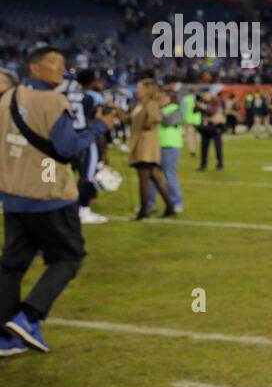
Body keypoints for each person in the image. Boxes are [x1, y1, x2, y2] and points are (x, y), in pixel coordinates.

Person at [0, 46, 114, 354]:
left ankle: (5, 336)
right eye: (53, 63)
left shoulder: (8, 98)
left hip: (12, 196)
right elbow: (67, 148)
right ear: (33, 67)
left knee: (12, 265)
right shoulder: (53, 100)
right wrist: (101, 127)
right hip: (48, 196)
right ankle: (29, 317)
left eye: (63, 65)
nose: (59, 70)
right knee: (69, 257)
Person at [64, 69, 109, 224]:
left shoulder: (62, 94)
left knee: (54, 173)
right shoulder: (89, 97)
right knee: (87, 175)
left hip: (65, 136)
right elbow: (95, 118)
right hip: (84, 137)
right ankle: (83, 210)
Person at [127, 79, 177, 220]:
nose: (138, 90)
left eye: (140, 88)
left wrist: (146, 125)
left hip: (146, 146)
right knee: (155, 178)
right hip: (142, 144)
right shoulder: (141, 104)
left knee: (143, 178)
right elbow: (130, 120)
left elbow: (155, 118)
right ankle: (170, 207)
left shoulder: (151, 103)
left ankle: (143, 210)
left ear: (146, 90)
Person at [147, 83, 184, 214]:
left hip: (171, 146)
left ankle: (177, 203)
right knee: (152, 177)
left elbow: (168, 122)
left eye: (162, 98)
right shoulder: (161, 109)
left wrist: (157, 110)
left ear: (169, 99)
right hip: (158, 146)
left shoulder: (175, 108)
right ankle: (150, 204)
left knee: (169, 176)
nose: (160, 100)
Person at [197, 90, 225, 172]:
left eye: (206, 95)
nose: (205, 96)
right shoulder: (203, 101)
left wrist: (203, 108)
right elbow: (195, 110)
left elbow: (212, 112)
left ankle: (220, 165)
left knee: (218, 147)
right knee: (204, 148)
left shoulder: (215, 101)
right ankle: (203, 165)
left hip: (215, 127)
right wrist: (199, 106)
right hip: (206, 128)